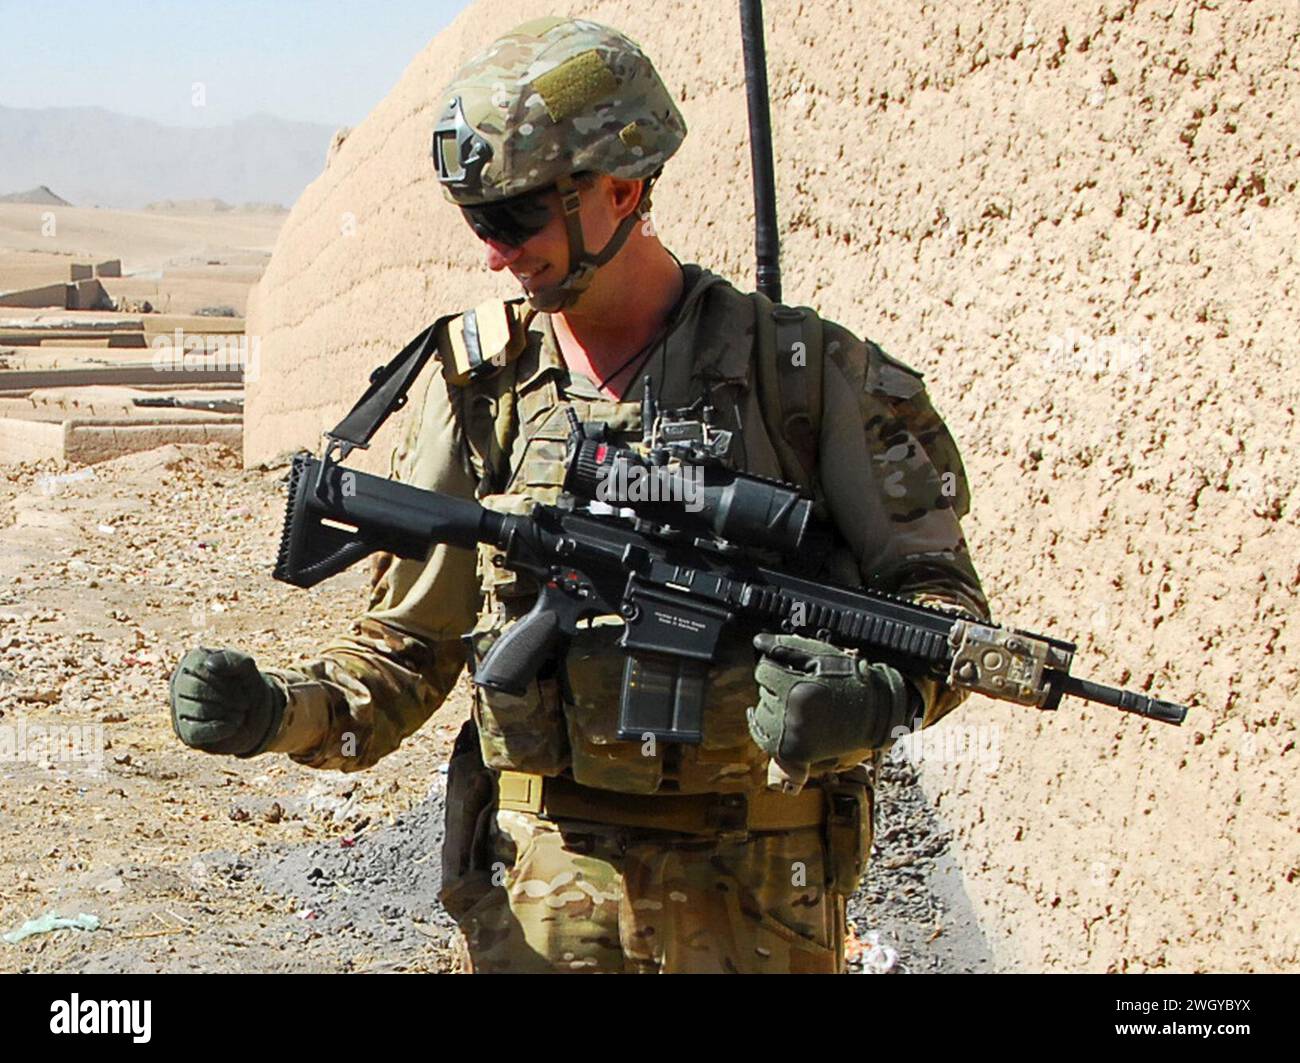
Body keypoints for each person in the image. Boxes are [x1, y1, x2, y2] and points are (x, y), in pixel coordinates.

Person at [169, 15, 989, 973]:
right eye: (478, 221)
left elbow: (947, 613)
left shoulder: (808, 378)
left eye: (515, 217)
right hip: (542, 901)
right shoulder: (482, 387)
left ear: (623, 189)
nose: (493, 252)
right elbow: (406, 651)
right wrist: (279, 711)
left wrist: (882, 696)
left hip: (762, 900)